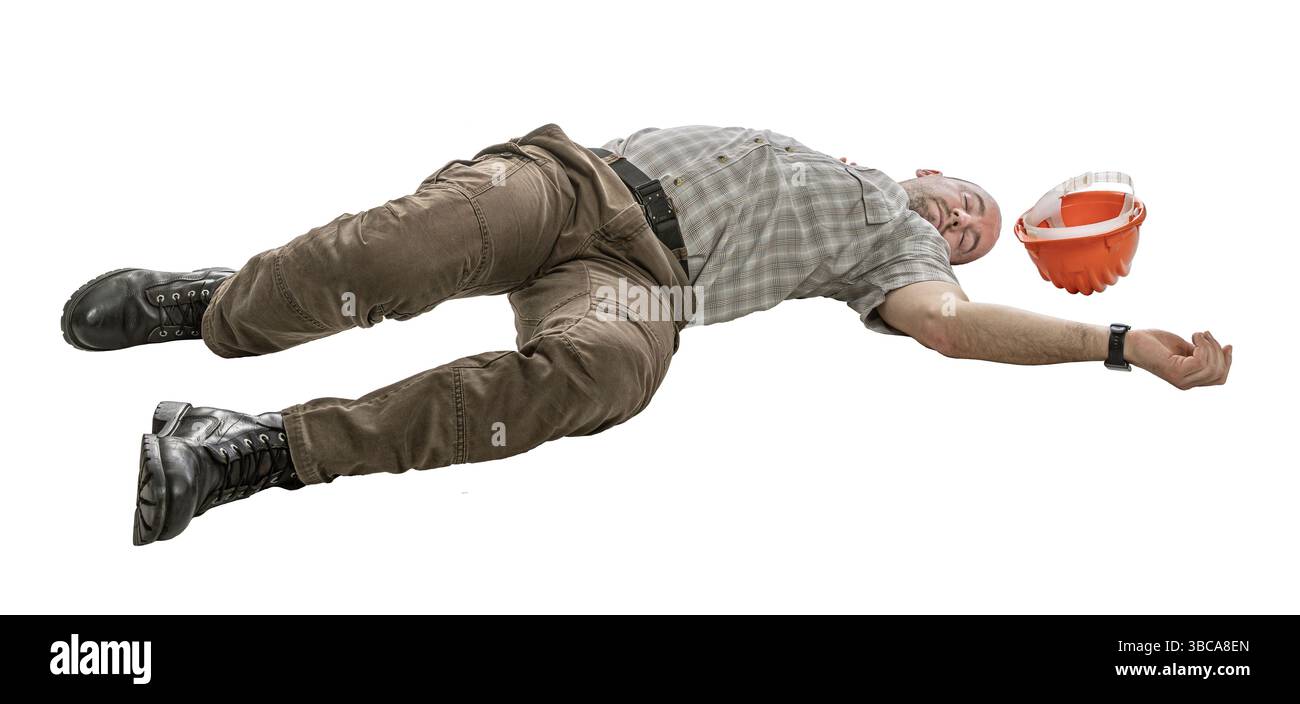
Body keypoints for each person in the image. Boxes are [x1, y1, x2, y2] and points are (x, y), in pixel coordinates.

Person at [59, 124, 1233, 545]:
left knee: (608, 373)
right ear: (928, 167)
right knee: (394, 258)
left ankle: (249, 447)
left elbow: (957, 328)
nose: (966, 224)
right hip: (579, 182)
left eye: (973, 235)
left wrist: (1120, 342)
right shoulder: (834, 160)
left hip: (646, 288)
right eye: (964, 200)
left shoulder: (897, 261)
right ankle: (213, 309)